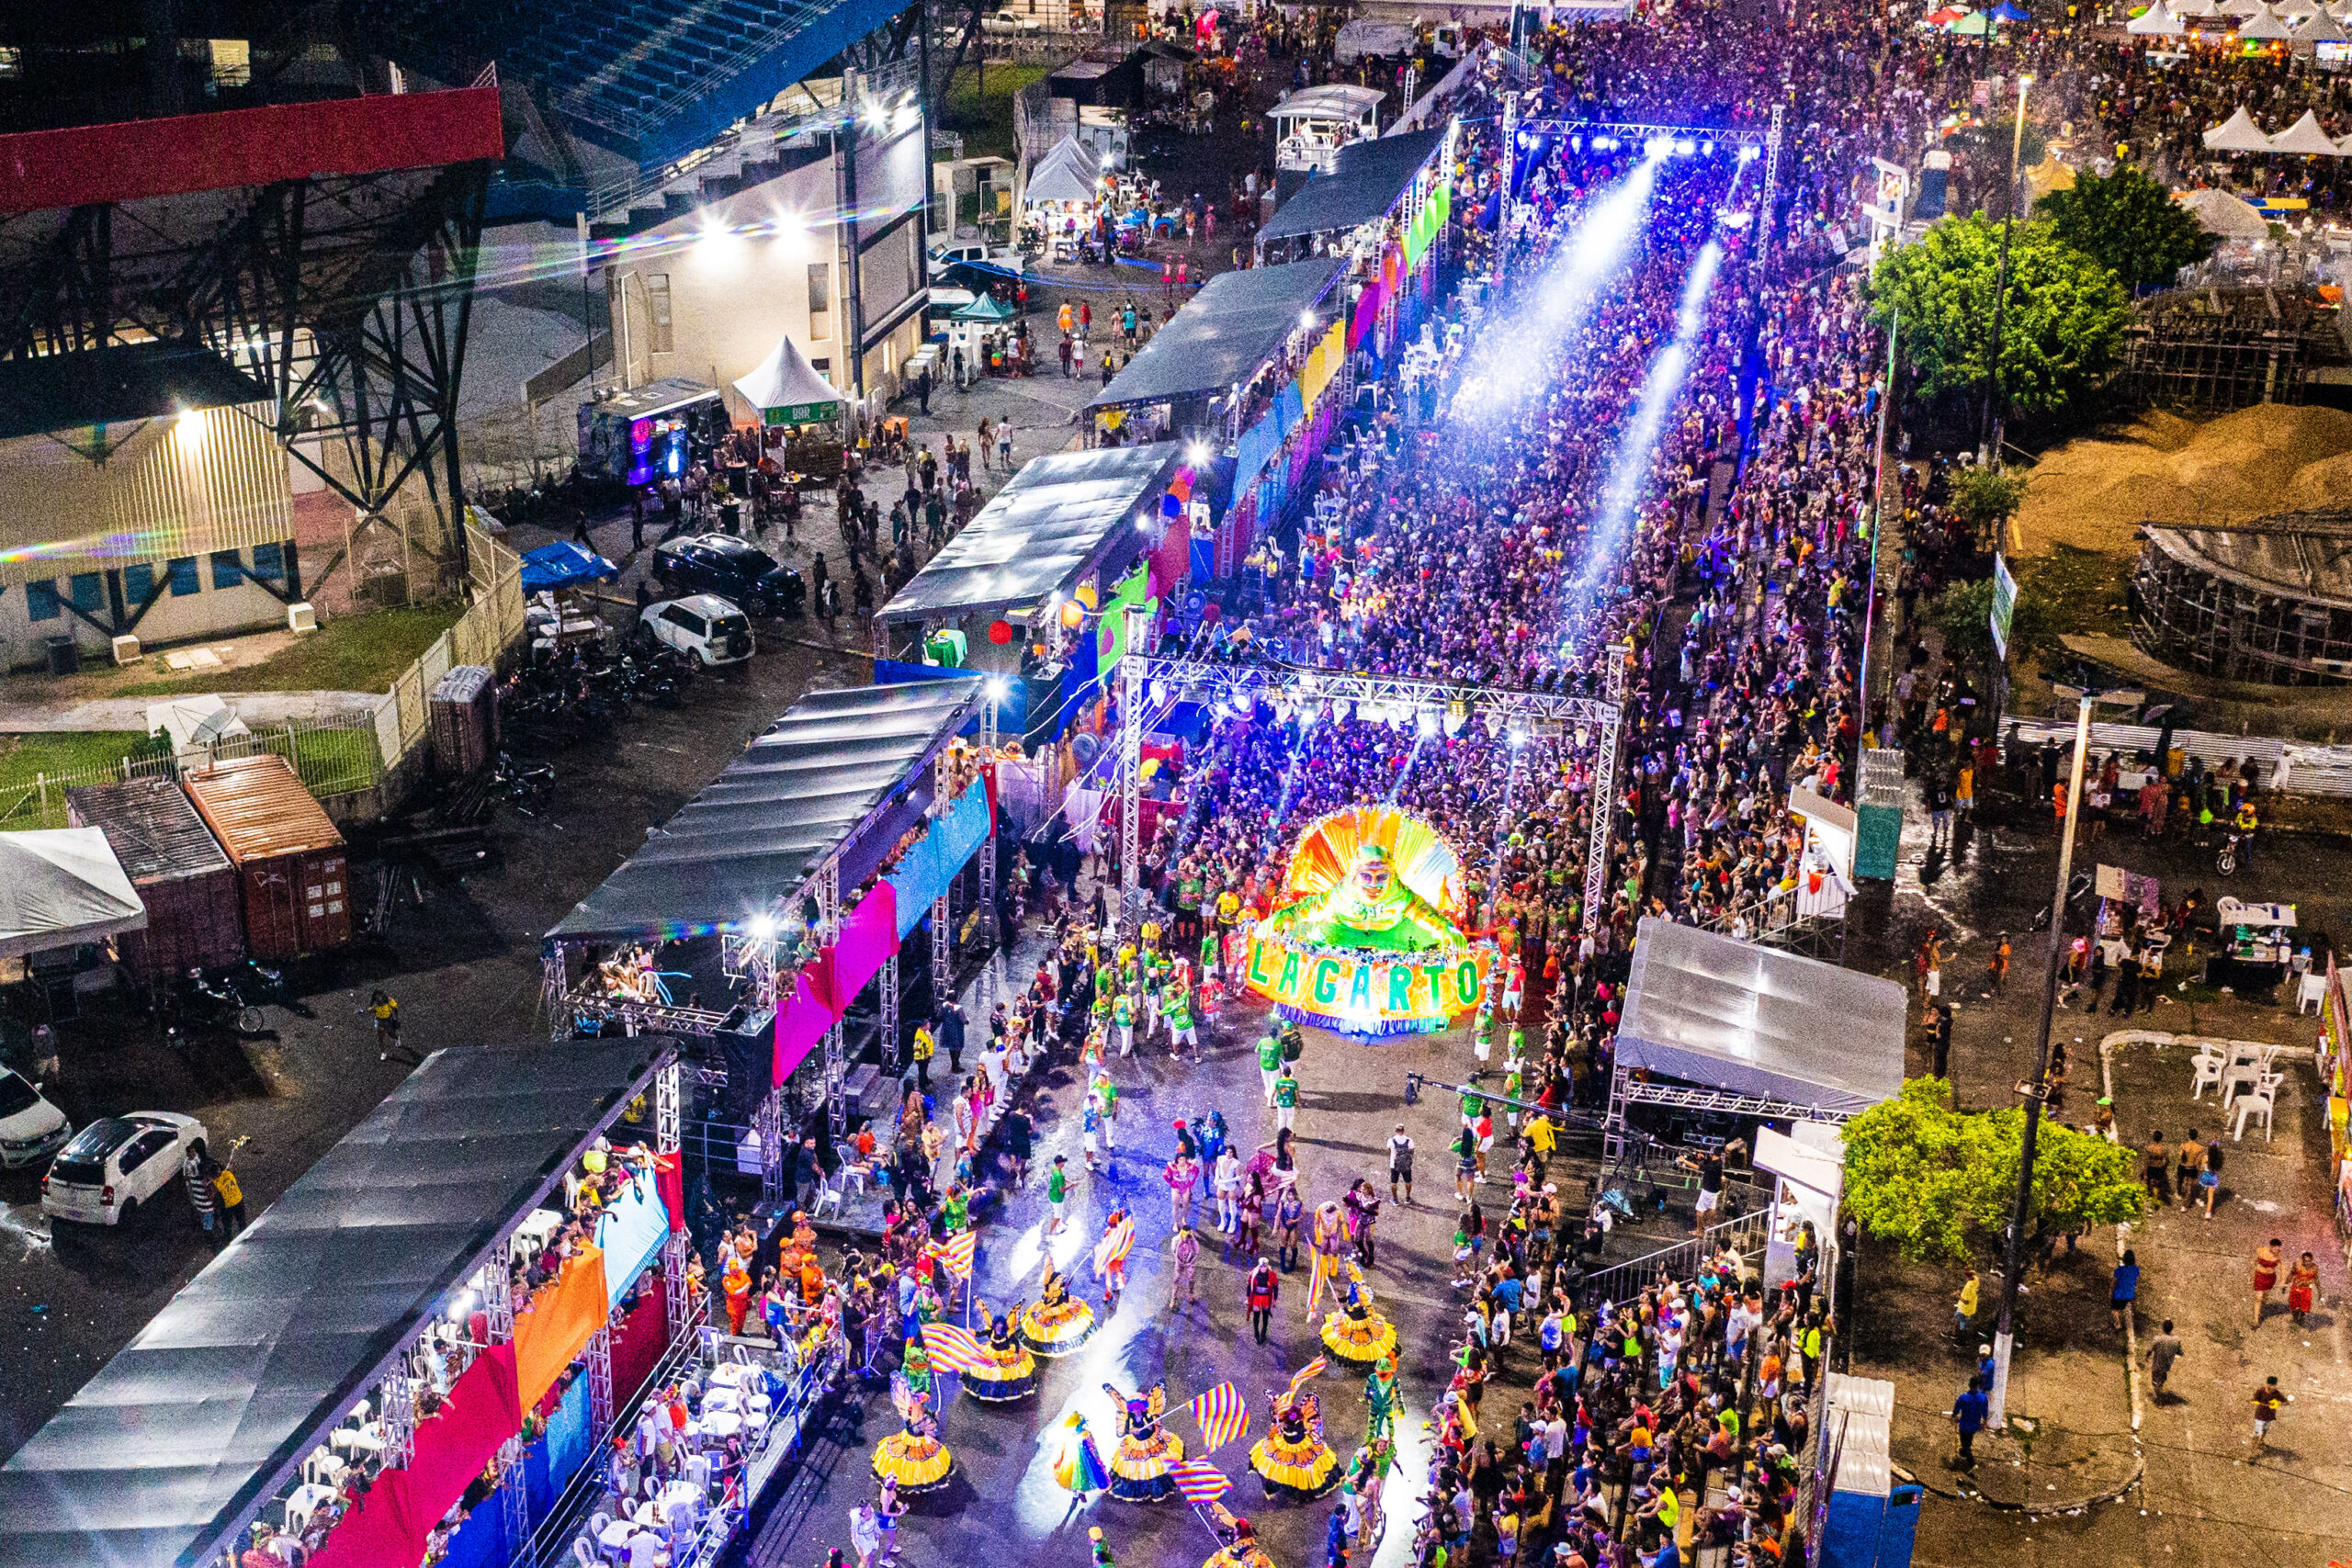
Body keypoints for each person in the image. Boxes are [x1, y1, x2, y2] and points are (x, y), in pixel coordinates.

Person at [1949, 1375, 1987, 1470]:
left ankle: (1972, 1464)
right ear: (1978, 1386)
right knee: (1969, 1439)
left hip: (1964, 1424)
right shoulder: (1983, 1398)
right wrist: (1984, 1423)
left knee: (1965, 1442)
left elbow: (1957, 1409)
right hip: (1974, 1425)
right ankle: (1963, 1451)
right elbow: (1985, 1412)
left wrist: (1953, 1416)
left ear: (1969, 1385)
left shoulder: (1963, 1398)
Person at [1247, 1255, 1280, 1343]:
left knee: (1265, 1317)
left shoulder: (1272, 1275)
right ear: (1259, 1266)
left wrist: (1275, 1299)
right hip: (1256, 1297)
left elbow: (1276, 1287)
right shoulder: (1254, 1274)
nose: (1263, 1268)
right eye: (1262, 1266)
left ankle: (1263, 1334)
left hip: (1266, 1298)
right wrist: (1248, 1297)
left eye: (1264, 1266)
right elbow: (1249, 1286)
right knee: (1256, 1317)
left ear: (1267, 1266)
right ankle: (1256, 1334)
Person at [2147, 1319, 2182, 1400]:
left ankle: (2159, 1399)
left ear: (2163, 1328)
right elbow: (2180, 1352)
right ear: (2172, 1328)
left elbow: (2150, 1350)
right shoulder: (2176, 1340)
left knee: (2155, 1381)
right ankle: (2160, 1390)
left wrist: (2147, 1356)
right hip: (2167, 1365)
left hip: (2157, 1364)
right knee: (2162, 1379)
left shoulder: (2158, 1339)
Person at [2252, 1237, 2283, 1327]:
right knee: (2259, 1297)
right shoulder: (2261, 1251)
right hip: (2260, 1276)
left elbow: (2283, 1266)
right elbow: (2253, 1261)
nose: (2276, 1251)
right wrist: (2250, 1276)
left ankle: (2261, 1310)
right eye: (2274, 1248)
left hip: (2270, 1278)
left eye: (2278, 1249)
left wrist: (2283, 1280)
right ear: (2270, 1246)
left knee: (2265, 1297)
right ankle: (2256, 1321)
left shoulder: (2279, 1255)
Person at [2252, 1375, 2286, 1450]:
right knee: (2256, 1433)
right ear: (2266, 1384)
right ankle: (2253, 1450)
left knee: (2265, 1429)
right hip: (2259, 1415)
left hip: (2269, 1415)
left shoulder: (2277, 1393)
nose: (2271, 1387)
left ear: (2275, 1386)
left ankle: (2261, 1441)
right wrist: (2263, 1404)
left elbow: (2286, 1402)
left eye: (2273, 1385)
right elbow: (2254, 1400)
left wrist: (2277, 1403)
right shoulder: (2260, 1391)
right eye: (2269, 1385)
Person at [2287, 1249, 2319, 1327]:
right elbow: (2291, 1274)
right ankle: (2295, 1320)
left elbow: (2316, 1279)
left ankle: (2301, 1318)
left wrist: (2319, 1291)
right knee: (2295, 1306)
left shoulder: (2314, 1268)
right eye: (2305, 1261)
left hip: (2307, 1289)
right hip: (2296, 1287)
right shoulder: (2297, 1265)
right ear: (2302, 1260)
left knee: (2304, 1308)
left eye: (2309, 1261)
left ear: (2311, 1260)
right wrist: (2285, 1284)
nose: (2307, 1263)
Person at [2109, 1249, 2140, 1332]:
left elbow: (2114, 1283)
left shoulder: (2118, 1270)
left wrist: (2110, 1292)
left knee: (2114, 1310)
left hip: (2119, 1294)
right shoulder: (2136, 1269)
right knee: (2125, 1305)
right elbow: (2136, 1281)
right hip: (2129, 1294)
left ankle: (2118, 1324)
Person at [1387, 1123, 1415, 1204]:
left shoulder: (1391, 1141)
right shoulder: (1409, 1140)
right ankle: (1407, 1198)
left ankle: (1395, 1199)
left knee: (1394, 1182)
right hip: (1406, 1164)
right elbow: (1412, 1151)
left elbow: (1389, 1149)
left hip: (1394, 1164)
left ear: (1396, 1131)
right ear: (1403, 1130)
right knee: (1408, 1181)